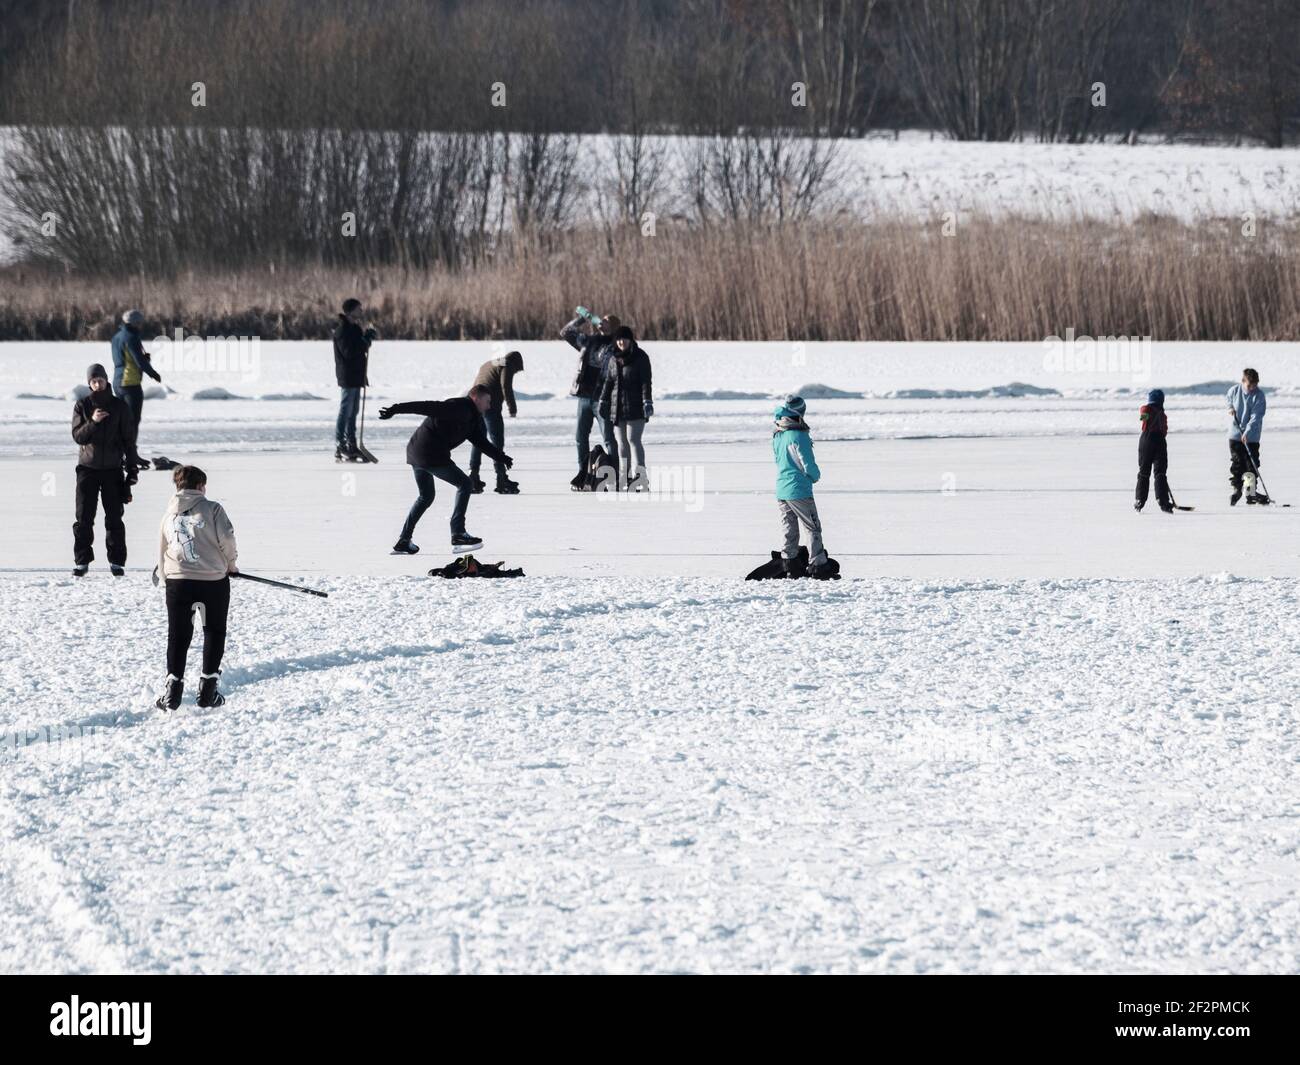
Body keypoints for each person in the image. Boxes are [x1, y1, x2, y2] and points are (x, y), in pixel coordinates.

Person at [379, 385, 514, 554]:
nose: (489, 406)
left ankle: (404, 540)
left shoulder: (472, 418)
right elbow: (427, 406)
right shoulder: (457, 408)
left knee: (426, 496)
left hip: (417, 453)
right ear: (476, 398)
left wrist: (501, 457)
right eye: (487, 401)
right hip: (430, 454)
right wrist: (396, 409)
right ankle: (458, 533)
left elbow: (480, 442)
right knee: (465, 484)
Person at [155, 465, 238, 711]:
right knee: (214, 631)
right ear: (201, 486)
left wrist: (164, 576)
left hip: (178, 582)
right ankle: (208, 690)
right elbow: (227, 538)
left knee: (178, 636)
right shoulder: (213, 508)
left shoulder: (168, 515)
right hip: (213, 580)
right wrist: (231, 564)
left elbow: (161, 549)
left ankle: (173, 691)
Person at [71, 363, 142, 577]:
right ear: (89, 383)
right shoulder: (82, 406)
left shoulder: (119, 406)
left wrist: (132, 469)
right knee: (84, 517)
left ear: (106, 380)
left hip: (112, 470)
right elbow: (78, 437)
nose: (97, 384)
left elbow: (129, 440)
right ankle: (82, 561)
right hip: (87, 469)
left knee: (114, 518)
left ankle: (117, 562)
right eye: (93, 381)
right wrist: (93, 421)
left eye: (100, 380)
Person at [772, 394, 833, 579]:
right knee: (812, 527)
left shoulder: (778, 435)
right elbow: (808, 464)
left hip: (782, 489)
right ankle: (818, 566)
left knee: (789, 529)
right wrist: (814, 476)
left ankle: (790, 564)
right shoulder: (799, 435)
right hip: (799, 489)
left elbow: (778, 461)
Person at [561, 310, 621, 482]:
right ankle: (584, 472)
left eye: (607, 321)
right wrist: (582, 319)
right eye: (601, 320)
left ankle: (616, 473)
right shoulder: (588, 341)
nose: (602, 322)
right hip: (584, 397)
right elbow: (566, 332)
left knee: (609, 438)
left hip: (602, 399)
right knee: (580, 437)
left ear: (613, 327)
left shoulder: (616, 345)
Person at [597, 325, 654, 491]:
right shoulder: (614, 359)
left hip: (635, 407)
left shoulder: (640, 357)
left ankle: (641, 477)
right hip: (618, 408)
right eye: (619, 339)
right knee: (621, 443)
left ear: (630, 340)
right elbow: (608, 381)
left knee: (634, 440)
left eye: (625, 339)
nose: (622, 342)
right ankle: (626, 476)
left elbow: (646, 382)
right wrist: (603, 400)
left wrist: (647, 402)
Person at [468, 350, 524, 494]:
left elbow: (477, 384)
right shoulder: (507, 365)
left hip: (474, 404)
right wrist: (512, 408)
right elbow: (506, 386)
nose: (515, 372)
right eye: (516, 370)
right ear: (515, 363)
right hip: (489, 405)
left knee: (478, 440)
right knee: (497, 440)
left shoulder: (490, 363)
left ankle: (472, 476)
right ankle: (501, 479)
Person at [333, 298, 377, 461]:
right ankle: (341, 445)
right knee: (346, 410)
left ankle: (352, 444)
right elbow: (349, 353)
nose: (362, 312)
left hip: (357, 375)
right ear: (350, 311)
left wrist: (367, 338)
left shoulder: (355, 329)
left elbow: (361, 348)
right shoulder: (342, 331)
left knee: (353, 412)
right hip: (348, 376)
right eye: (359, 309)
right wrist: (364, 341)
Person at [110, 309, 162, 429]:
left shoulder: (116, 337)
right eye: (139, 322)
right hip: (130, 383)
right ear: (134, 323)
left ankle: (120, 446)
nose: (141, 325)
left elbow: (123, 357)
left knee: (121, 419)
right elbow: (139, 361)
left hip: (117, 382)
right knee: (133, 420)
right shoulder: (131, 337)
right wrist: (153, 373)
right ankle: (130, 447)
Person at [1227, 368, 1267, 505]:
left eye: (1255, 385)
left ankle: (1250, 493)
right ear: (1243, 381)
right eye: (1249, 385)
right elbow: (1229, 400)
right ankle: (1237, 489)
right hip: (1235, 435)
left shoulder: (1259, 396)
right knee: (1237, 463)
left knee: (1251, 465)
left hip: (1252, 437)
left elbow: (1257, 416)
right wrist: (1230, 408)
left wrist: (1248, 432)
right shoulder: (1234, 390)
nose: (1252, 388)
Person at [1134, 388, 1173, 514]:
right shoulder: (1163, 415)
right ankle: (1163, 501)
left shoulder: (1147, 409)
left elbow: (1143, 419)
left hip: (1147, 440)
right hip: (1159, 442)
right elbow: (1164, 431)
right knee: (1160, 473)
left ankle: (1140, 500)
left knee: (1144, 472)